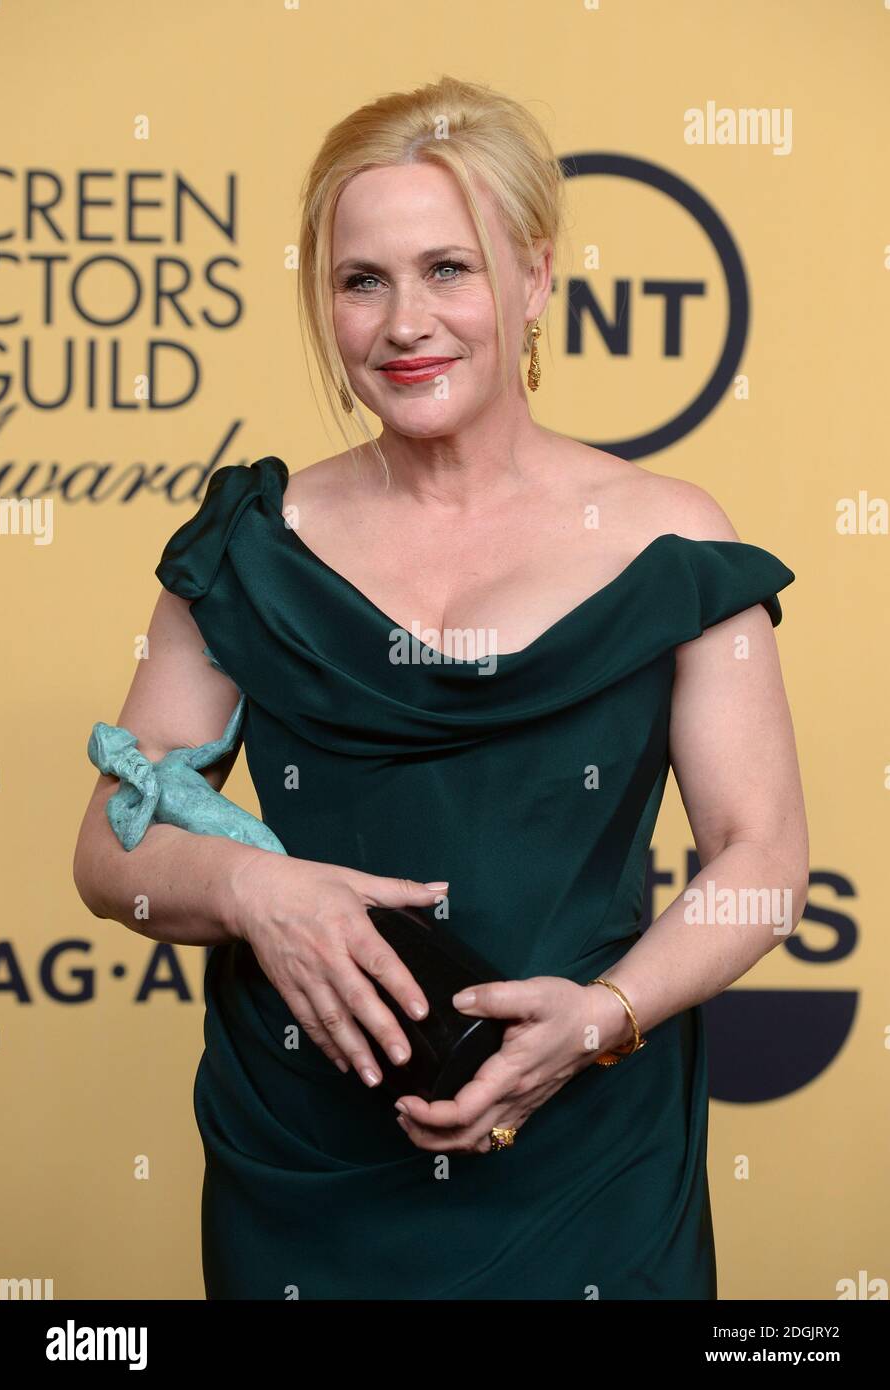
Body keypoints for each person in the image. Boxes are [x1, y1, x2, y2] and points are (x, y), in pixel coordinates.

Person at [73, 75, 809, 1300]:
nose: (405, 321)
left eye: (448, 269)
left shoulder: (669, 541)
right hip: (307, 1157)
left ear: (535, 279)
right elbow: (111, 846)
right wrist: (257, 889)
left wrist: (598, 1018)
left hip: (591, 1161)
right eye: (362, 281)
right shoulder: (252, 541)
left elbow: (762, 861)